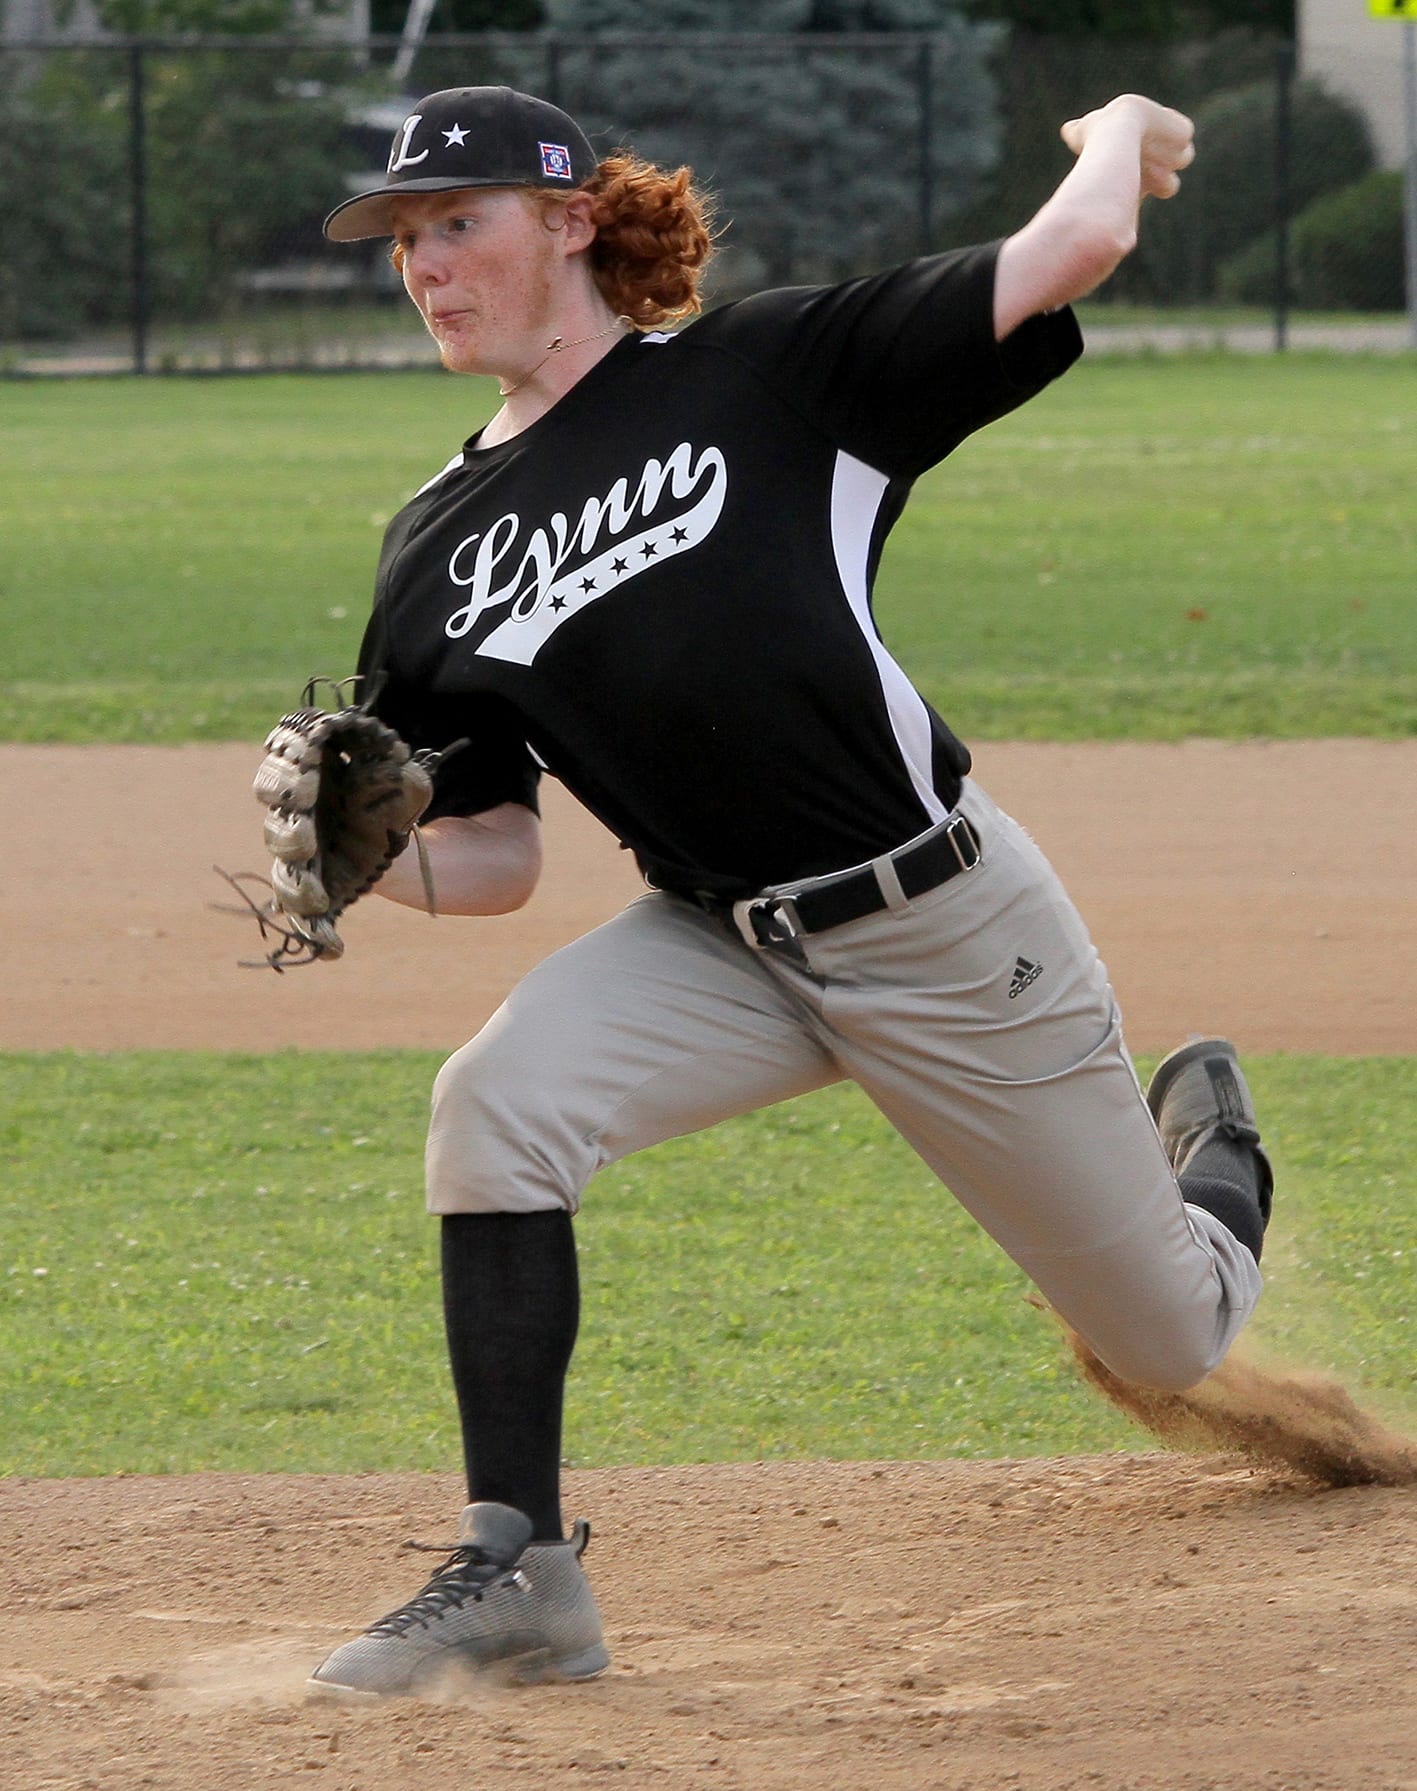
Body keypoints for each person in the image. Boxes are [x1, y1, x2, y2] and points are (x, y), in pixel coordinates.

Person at [307, 83, 1274, 1699]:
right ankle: (517, 1570)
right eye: (403, 239)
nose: (426, 264)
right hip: (719, 944)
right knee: (496, 1107)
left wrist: (1105, 122)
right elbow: (496, 857)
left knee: (1170, 1347)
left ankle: (1211, 1154)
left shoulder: (769, 375)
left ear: (570, 224)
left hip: (946, 929)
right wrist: (371, 859)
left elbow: (1080, 241)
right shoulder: (435, 553)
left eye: (457, 222)